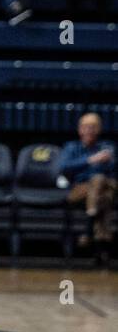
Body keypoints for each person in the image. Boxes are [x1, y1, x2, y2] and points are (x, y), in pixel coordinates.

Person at [59, 112, 115, 264]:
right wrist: (91, 160)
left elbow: (113, 167)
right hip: (79, 189)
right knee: (103, 195)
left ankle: (89, 227)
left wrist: (104, 162)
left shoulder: (107, 147)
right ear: (79, 130)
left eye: (93, 127)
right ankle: (102, 246)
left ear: (99, 130)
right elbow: (63, 167)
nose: (89, 130)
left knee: (101, 186)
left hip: (103, 187)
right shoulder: (71, 147)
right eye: (86, 127)